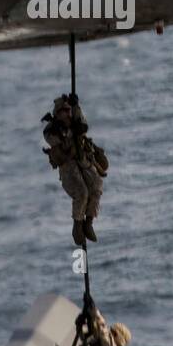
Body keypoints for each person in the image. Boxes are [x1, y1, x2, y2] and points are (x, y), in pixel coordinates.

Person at [42, 94, 108, 246]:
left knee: (96, 186)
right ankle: (77, 226)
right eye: (64, 110)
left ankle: (89, 222)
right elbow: (55, 139)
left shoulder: (75, 118)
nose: (67, 113)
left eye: (69, 109)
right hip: (68, 167)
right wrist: (70, 130)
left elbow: (83, 126)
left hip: (83, 160)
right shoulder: (52, 129)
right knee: (82, 192)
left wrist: (76, 107)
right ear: (58, 113)